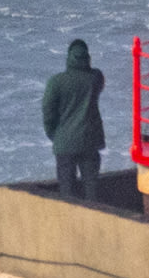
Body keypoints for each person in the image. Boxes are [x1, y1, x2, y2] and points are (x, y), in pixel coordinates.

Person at [41, 40, 107, 201]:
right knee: (91, 188)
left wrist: (54, 135)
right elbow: (96, 78)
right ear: (87, 57)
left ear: (69, 57)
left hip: (64, 142)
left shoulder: (56, 82)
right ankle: (93, 222)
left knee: (67, 190)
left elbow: (48, 112)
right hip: (90, 140)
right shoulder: (95, 78)